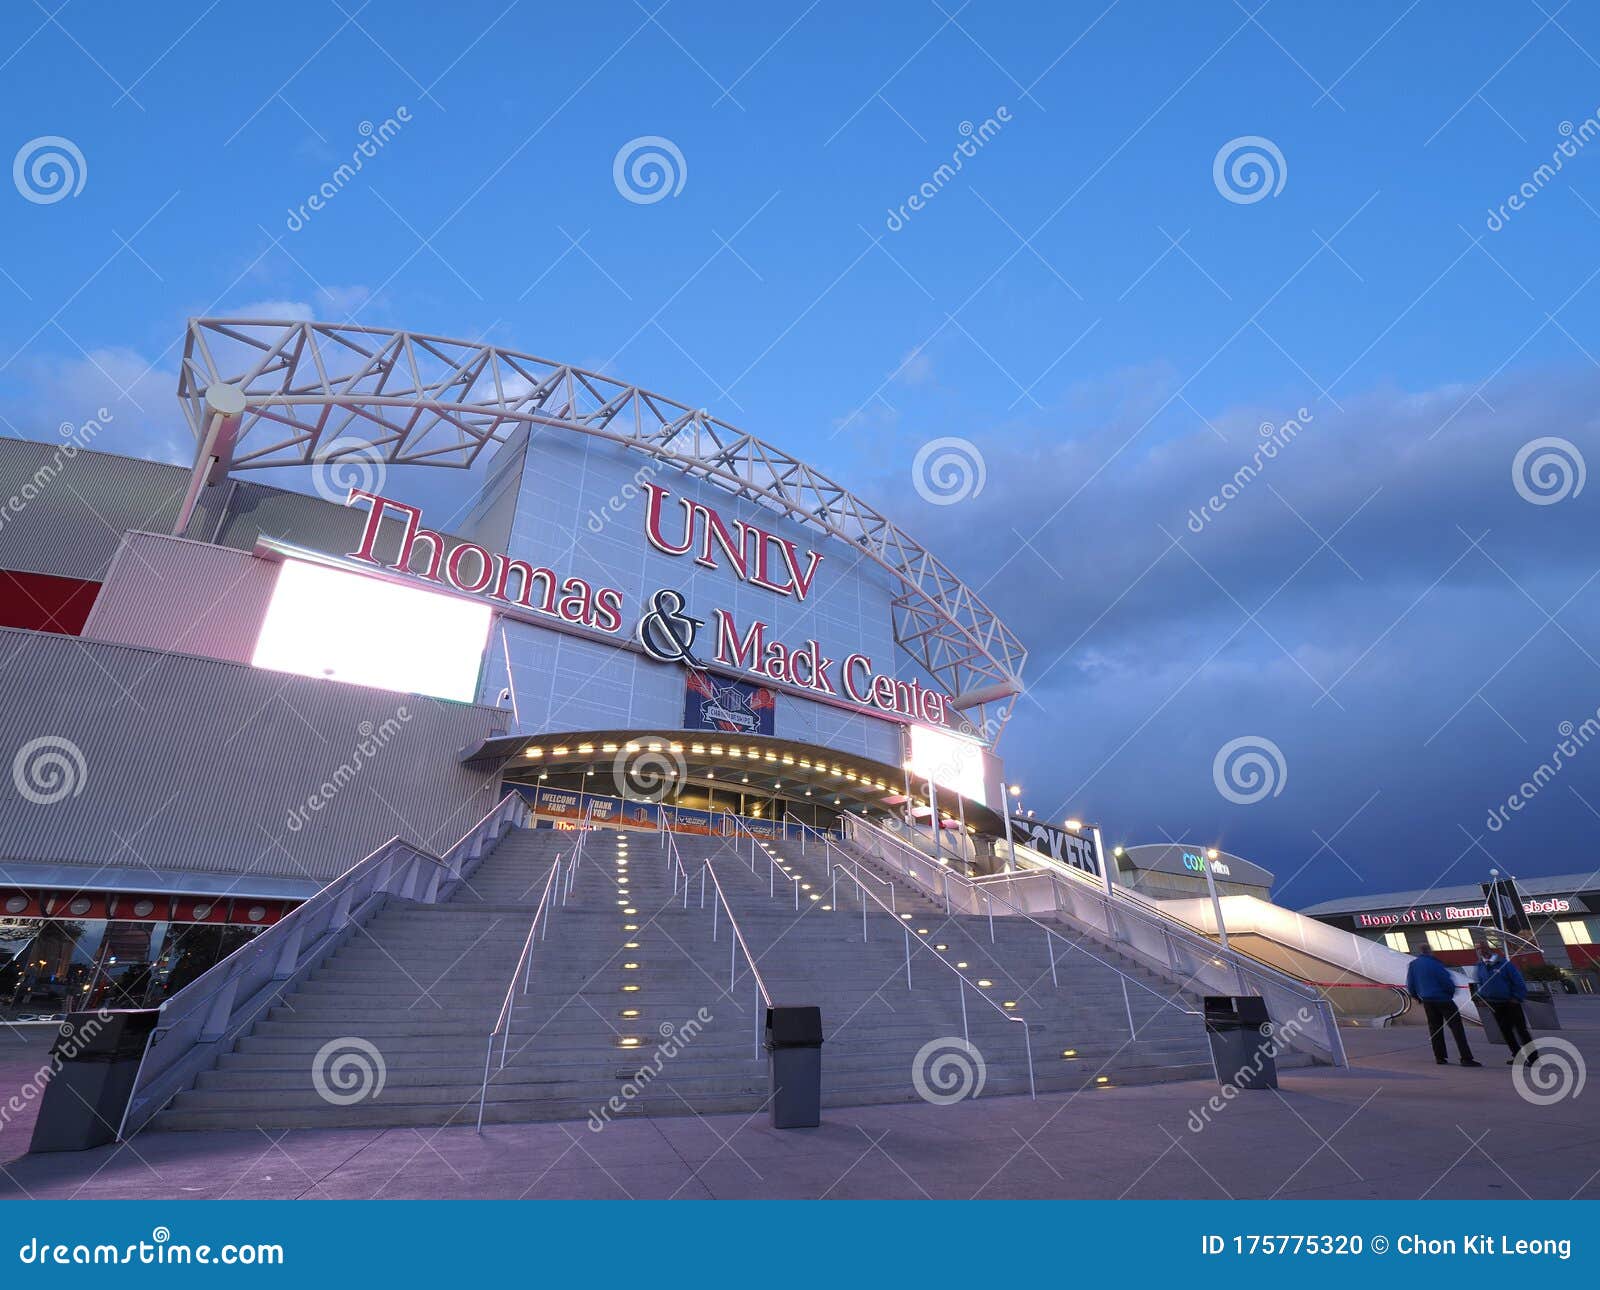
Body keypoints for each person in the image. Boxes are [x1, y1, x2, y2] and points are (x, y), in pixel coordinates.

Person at [1406, 946, 1481, 1066]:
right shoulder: (1436, 964)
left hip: (1428, 1001)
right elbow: (1447, 981)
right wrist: (1449, 994)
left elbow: (1410, 984)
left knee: (1435, 1029)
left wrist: (1417, 997)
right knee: (1457, 1029)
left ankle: (1440, 1057)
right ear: (1430, 952)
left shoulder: (1414, 965)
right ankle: (1466, 1057)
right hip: (1443, 1000)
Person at [1474, 945, 1538, 1065]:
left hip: (1510, 1002)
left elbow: (1517, 980)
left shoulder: (1503, 964)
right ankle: (1517, 1055)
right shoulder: (1480, 966)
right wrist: (1481, 997)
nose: (1481, 953)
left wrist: (1517, 997)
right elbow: (1480, 983)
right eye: (1479, 951)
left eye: (1483, 950)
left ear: (1489, 950)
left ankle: (1533, 1057)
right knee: (1506, 1031)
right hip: (1494, 1003)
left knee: (1521, 1030)